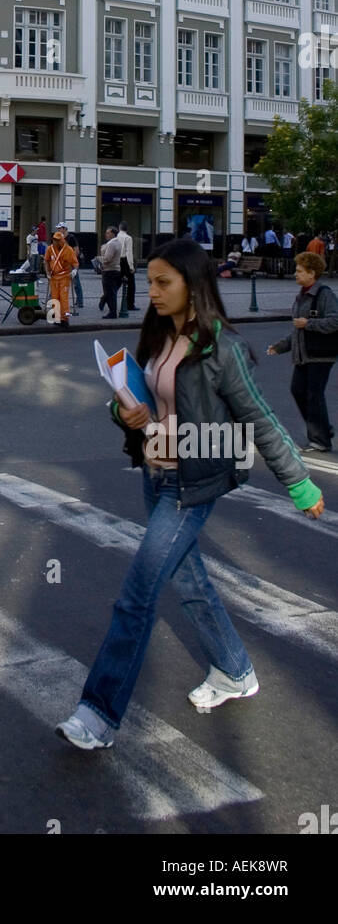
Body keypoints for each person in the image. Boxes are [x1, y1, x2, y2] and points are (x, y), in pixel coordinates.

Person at [56, 238, 325, 751]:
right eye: (151, 281)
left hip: (191, 483)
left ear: (192, 284)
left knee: (136, 598)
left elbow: (259, 418)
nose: (152, 292)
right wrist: (124, 413)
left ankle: (97, 714)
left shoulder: (220, 346)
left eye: (163, 283)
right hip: (154, 474)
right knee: (190, 581)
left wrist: (299, 482)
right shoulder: (158, 335)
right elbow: (136, 397)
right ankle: (234, 669)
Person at [267, 251, 338, 455]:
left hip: (320, 354)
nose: (295, 274)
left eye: (299, 271)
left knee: (314, 395)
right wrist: (280, 346)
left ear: (311, 273)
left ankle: (320, 440)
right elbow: (297, 330)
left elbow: (335, 320)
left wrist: (310, 323)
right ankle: (322, 429)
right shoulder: (301, 296)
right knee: (298, 390)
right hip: (304, 354)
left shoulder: (324, 294)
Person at [44, 229, 78, 326]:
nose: (55, 241)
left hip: (65, 276)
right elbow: (46, 261)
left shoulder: (68, 250)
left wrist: (74, 271)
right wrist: (47, 273)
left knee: (64, 298)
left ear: (61, 240)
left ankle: (65, 318)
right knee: (55, 298)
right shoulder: (50, 249)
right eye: (54, 239)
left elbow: (75, 263)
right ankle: (57, 317)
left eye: (57, 240)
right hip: (54, 277)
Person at [99, 226, 123, 318]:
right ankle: (106, 303)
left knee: (110, 292)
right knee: (111, 292)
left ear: (113, 234)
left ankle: (112, 312)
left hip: (109, 270)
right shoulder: (118, 243)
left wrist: (99, 259)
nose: (106, 234)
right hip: (116, 270)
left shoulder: (112, 244)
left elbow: (107, 258)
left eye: (108, 233)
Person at [117, 220, 137, 310]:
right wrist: (131, 266)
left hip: (117, 261)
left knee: (116, 283)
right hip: (125, 262)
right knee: (131, 284)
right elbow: (129, 252)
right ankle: (130, 304)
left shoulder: (116, 237)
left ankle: (105, 299)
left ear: (119, 228)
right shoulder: (128, 238)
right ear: (127, 229)